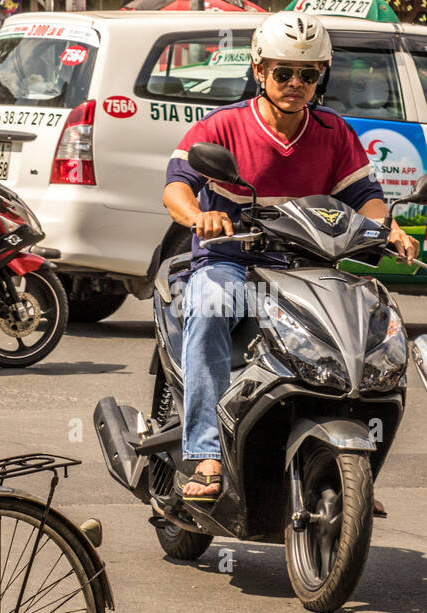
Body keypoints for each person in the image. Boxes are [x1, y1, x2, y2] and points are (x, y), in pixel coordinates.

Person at [163, 11, 418, 505]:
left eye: (307, 74)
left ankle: (349, 463)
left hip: (309, 267)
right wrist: (199, 217)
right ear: (259, 70)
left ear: (321, 77)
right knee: (210, 307)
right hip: (233, 262)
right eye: (283, 72)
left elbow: (365, 196)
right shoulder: (224, 126)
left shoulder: (334, 132)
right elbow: (177, 187)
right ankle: (205, 452)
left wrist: (388, 227)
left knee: (370, 328)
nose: (295, 83)